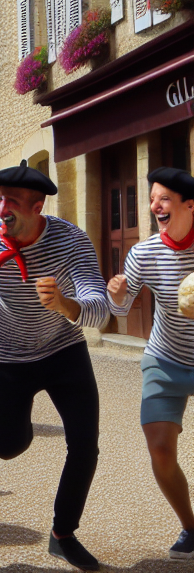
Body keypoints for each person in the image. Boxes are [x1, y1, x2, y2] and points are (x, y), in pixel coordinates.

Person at [0, 160, 108, 572]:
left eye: (15, 202)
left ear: (38, 207)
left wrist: (64, 303)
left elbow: (100, 308)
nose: (3, 209)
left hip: (63, 351)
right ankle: (21, 420)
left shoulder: (70, 241)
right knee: (6, 447)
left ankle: (63, 534)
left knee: (84, 446)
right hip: (7, 356)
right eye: (1, 199)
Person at [107, 166, 194, 560]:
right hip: (165, 357)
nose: (155, 206)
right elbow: (121, 310)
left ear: (188, 205)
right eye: (153, 198)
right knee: (159, 447)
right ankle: (191, 528)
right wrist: (117, 293)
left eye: (164, 199)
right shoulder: (143, 251)